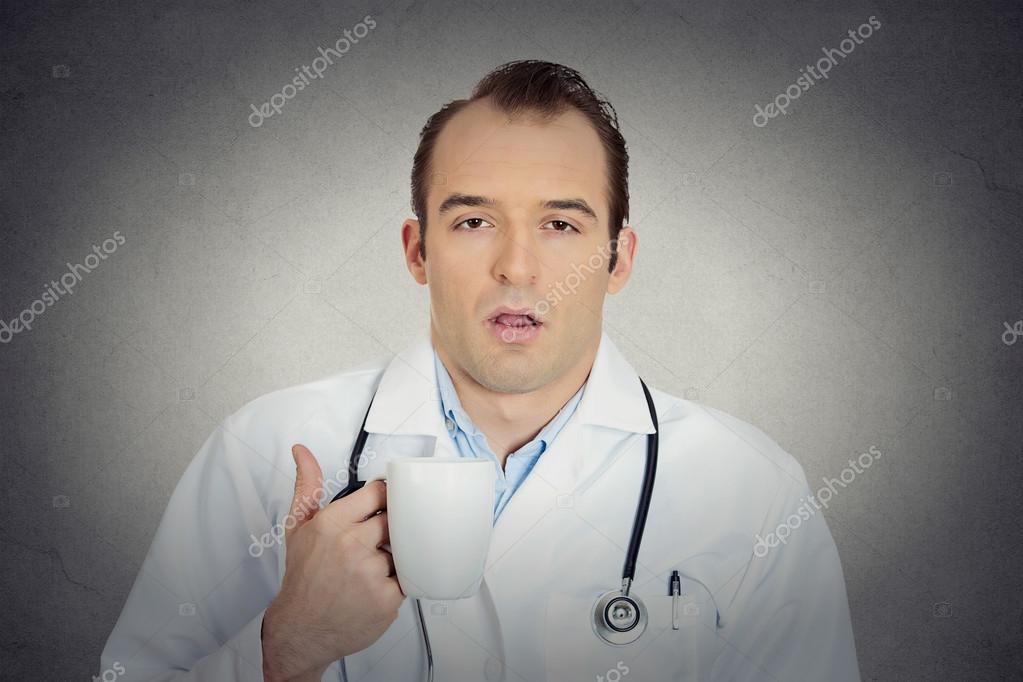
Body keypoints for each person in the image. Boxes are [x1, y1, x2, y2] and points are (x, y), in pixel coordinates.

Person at [100, 60, 861, 681]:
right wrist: (285, 648)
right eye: (472, 222)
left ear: (617, 260)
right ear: (417, 251)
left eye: (560, 224)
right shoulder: (264, 450)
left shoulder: (753, 491)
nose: (517, 266)